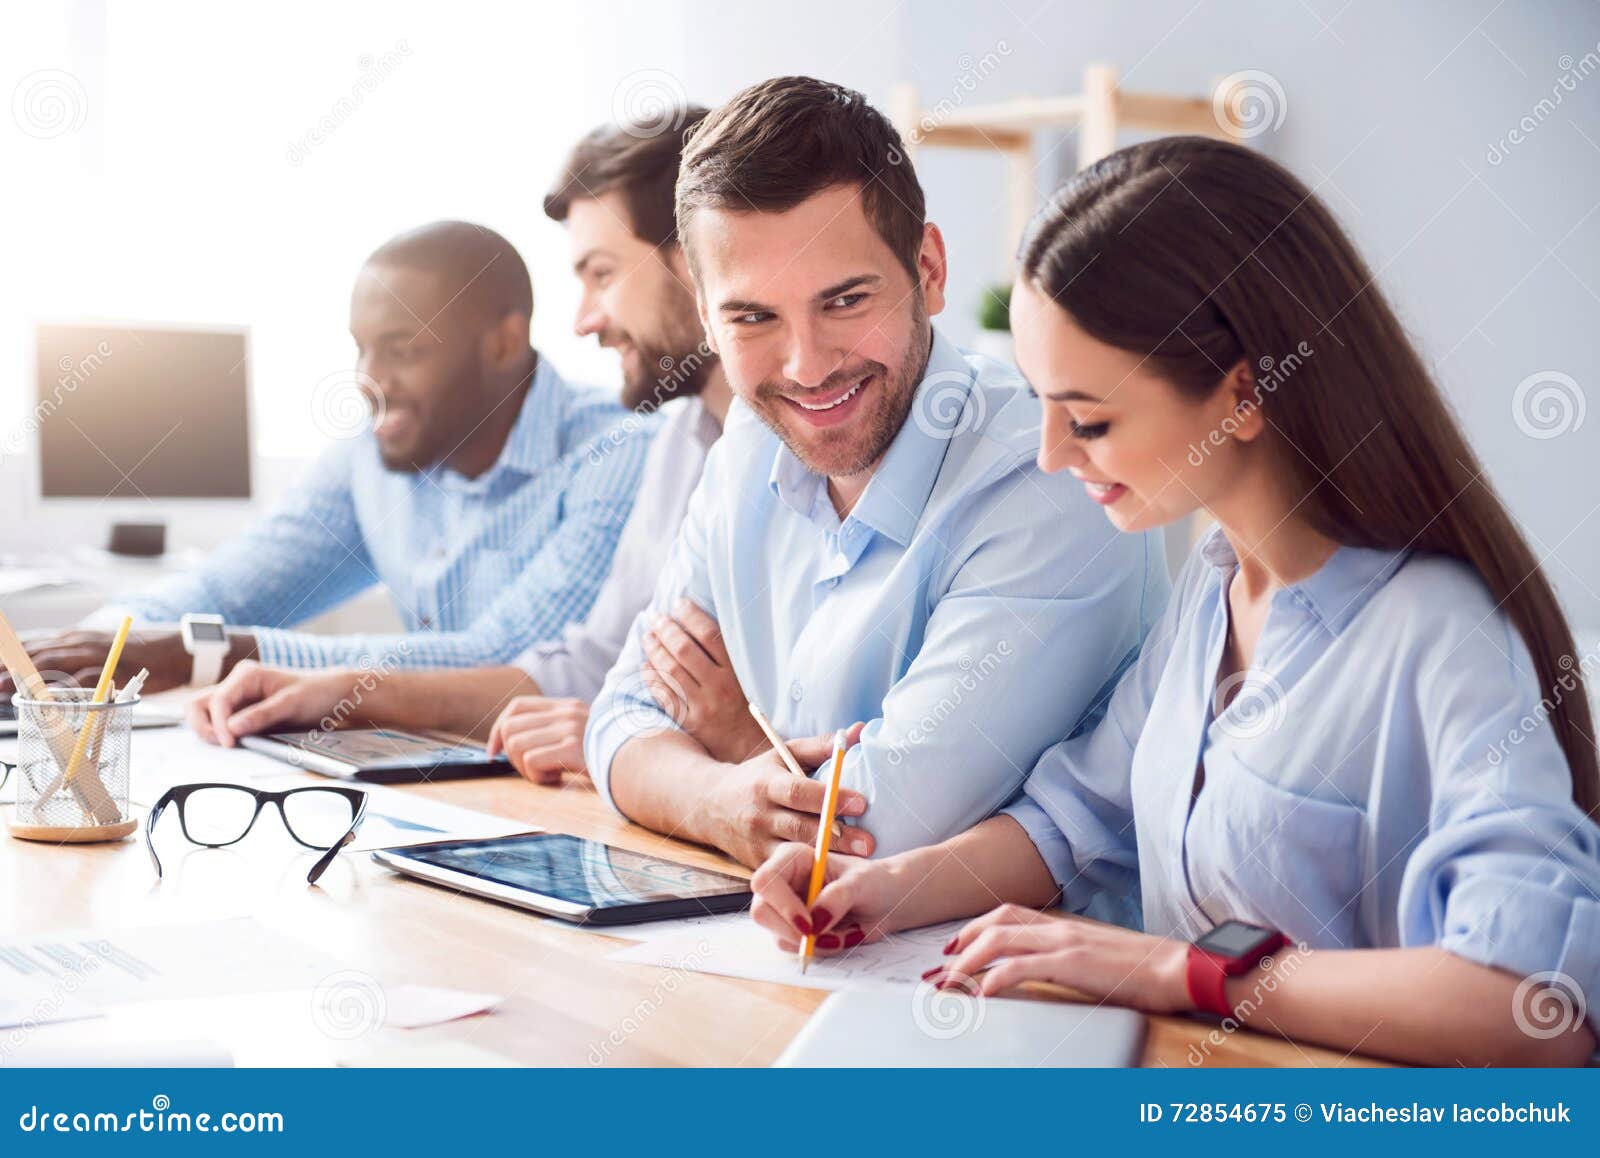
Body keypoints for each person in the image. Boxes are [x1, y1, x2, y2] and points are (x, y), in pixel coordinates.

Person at [747, 136, 1600, 1067]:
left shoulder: (1438, 630)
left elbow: (1534, 1007)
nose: (1051, 455)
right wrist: (880, 890)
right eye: (1039, 402)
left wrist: (1191, 972)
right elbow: (1077, 820)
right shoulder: (1214, 587)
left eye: (1091, 419)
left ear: (1242, 395)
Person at [584, 76, 1168, 868]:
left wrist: (730, 740)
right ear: (704, 311)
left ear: (927, 270)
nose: (806, 366)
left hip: (1013, 981)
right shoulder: (745, 452)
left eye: (845, 301)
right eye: (752, 317)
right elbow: (617, 720)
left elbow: (878, 828)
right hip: (791, 952)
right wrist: (722, 801)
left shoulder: (1047, 480)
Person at [187, 111, 751, 785]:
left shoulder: (647, 442)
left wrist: (631, 739)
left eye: (601, 274)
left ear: (698, 261)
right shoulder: (685, 440)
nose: (582, 320)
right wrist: (347, 693)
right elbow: (593, 664)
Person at [6, 222, 652, 697]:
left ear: (505, 343)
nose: (368, 380)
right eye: (361, 350)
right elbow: (227, 587)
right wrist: (66, 654)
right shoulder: (372, 457)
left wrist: (208, 654)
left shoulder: (618, 450)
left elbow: (508, 660)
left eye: (403, 349)